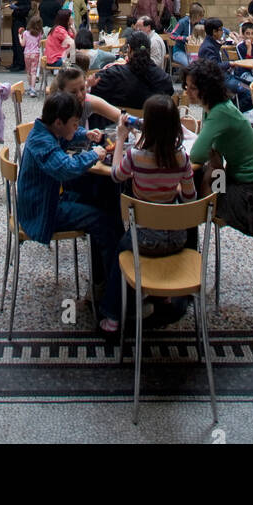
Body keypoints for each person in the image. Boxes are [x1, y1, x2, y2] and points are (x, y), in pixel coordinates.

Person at [98, 95, 197, 332]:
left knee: (117, 256)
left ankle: (112, 317)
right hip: (177, 238)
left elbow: (116, 175)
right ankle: (160, 295)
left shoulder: (136, 157)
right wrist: (171, 187)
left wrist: (121, 138)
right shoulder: (182, 158)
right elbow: (189, 198)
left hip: (141, 240)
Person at [16, 92, 120, 318]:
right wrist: (94, 154)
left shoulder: (46, 131)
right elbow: (66, 168)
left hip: (44, 202)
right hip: (42, 214)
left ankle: (101, 284)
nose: (76, 127)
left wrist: (86, 134)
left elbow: (67, 137)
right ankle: (111, 300)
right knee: (106, 223)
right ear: (58, 122)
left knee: (99, 202)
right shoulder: (43, 143)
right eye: (75, 123)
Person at [186, 60, 253, 238]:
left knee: (190, 189)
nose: (187, 92)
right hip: (241, 182)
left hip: (252, 198)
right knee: (199, 179)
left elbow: (197, 155)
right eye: (186, 87)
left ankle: (188, 241)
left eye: (192, 88)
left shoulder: (219, 113)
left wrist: (214, 166)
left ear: (207, 90)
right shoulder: (217, 108)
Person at [90, 30, 173, 111]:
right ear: (149, 50)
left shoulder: (113, 74)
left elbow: (92, 91)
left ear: (129, 49)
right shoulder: (165, 79)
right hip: (152, 123)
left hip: (118, 122)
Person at [50, 64, 121, 128]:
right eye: (73, 92)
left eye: (82, 88)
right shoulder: (53, 112)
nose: (80, 95)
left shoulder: (88, 101)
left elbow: (122, 117)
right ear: (61, 92)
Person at [170, 2, 205, 70]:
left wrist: (228, 31)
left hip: (194, 52)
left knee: (203, 64)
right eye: (201, 16)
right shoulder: (182, 22)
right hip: (180, 51)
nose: (202, 18)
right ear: (196, 15)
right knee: (190, 65)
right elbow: (172, 35)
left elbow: (212, 24)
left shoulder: (200, 22)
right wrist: (185, 38)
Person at [10, 0, 32, 72]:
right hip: (17, 18)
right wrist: (16, 5)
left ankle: (20, 64)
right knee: (15, 42)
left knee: (18, 43)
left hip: (20, 19)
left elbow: (27, 6)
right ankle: (15, 63)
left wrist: (17, 8)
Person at [22, 13, 43, 97]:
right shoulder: (39, 33)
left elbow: (23, 44)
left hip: (27, 53)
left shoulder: (25, 33)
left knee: (28, 72)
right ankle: (33, 89)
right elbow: (39, 45)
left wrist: (19, 37)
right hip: (35, 53)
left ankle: (30, 87)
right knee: (34, 72)